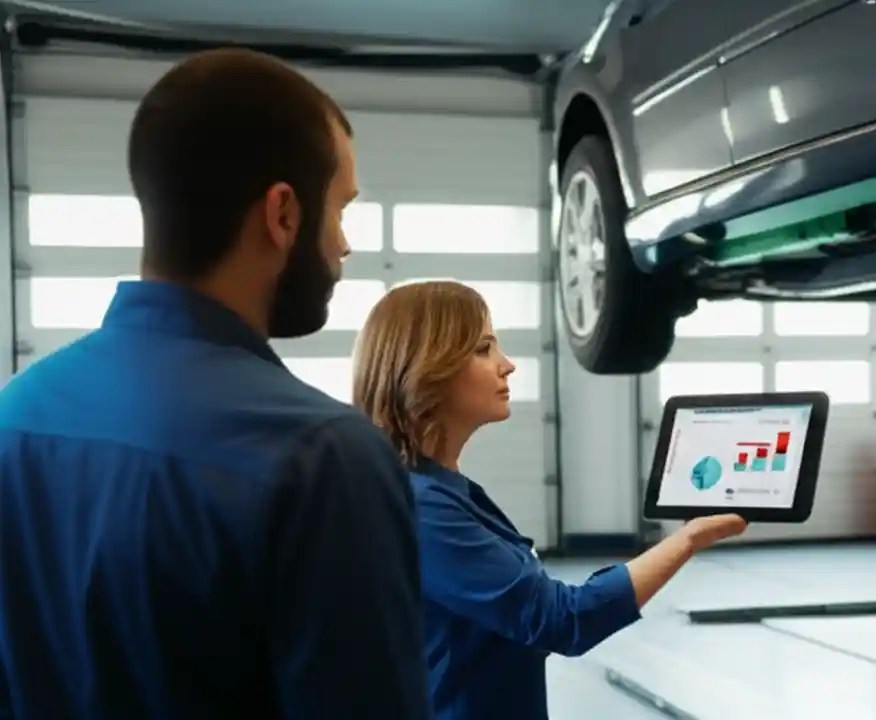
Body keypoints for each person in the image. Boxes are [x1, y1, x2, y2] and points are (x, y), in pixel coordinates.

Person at [0, 49, 430, 719]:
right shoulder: (323, 457)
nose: (344, 244)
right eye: (340, 209)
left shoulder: (14, 419)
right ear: (282, 214)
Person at [352, 280, 749, 720]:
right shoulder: (422, 508)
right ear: (430, 368)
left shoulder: (443, 490)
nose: (507, 366)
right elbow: (560, 620)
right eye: (484, 348)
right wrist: (688, 539)